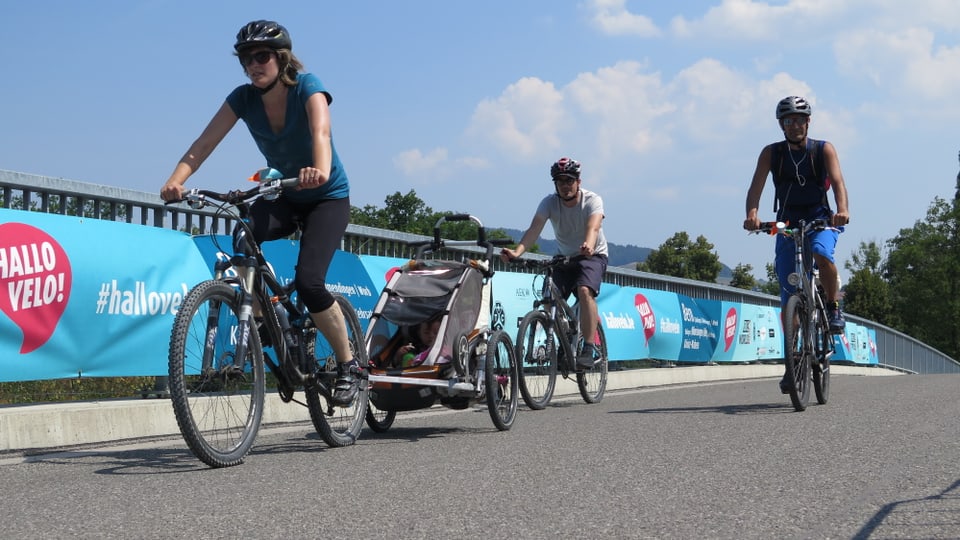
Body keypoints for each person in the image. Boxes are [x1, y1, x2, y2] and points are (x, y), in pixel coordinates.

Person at [159, 20, 360, 405]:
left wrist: (317, 169)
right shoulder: (243, 98)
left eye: (261, 56)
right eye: (246, 59)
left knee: (309, 283)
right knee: (241, 237)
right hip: (283, 193)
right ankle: (268, 321)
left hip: (326, 197)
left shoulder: (308, 86)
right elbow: (203, 144)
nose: (253, 64)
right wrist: (175, 180)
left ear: (281, 58)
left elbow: (322, 134)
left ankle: (349, 365)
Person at [743, 95, 850, 393]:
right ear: (781, 125)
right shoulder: (771, 153)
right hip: (786, 223)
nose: (794, 126)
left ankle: (832, 306)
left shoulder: (823, 149)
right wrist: (752, 215)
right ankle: (793, 364)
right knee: (789, 291)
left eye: (799, 120)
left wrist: (842, 211)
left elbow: (838, 182)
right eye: (787, 121)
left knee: (820, 253)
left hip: (821, 219)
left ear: (808, 122)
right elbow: (756, 187)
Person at [500, 157, 608, 370]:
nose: (565, 185)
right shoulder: (549, 202)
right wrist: (517, 252)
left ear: (578, 181)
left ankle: (587, 347)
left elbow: (593, 227)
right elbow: (534, 229)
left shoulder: (593, 200)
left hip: (591, 255)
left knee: (584, 291)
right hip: (564, 257)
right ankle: (566, 340)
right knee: (549, 300)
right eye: (560, 182)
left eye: (569, 180)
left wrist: (588, 244)